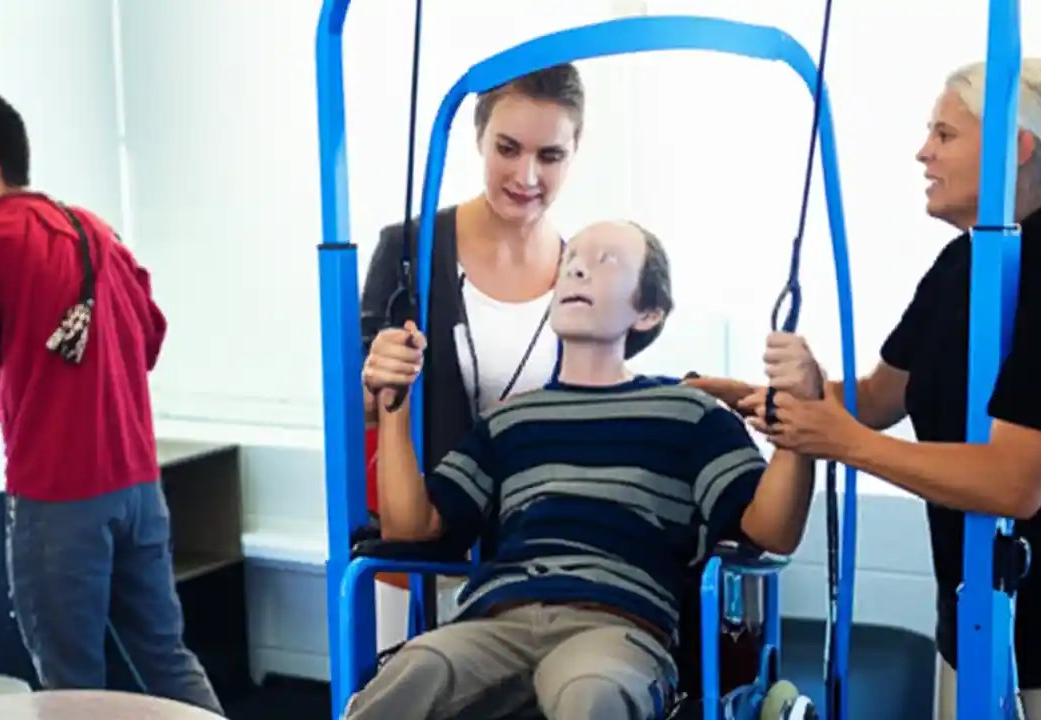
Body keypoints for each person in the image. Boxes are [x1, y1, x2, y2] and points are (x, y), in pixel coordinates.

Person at [345, 220, 818, 719]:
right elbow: (409, 527)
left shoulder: (689, 412)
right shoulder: (510, 419)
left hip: (616, 626)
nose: (577, 267)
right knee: (414, 673)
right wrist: (392, 402)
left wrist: (799, 420)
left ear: (649, 311)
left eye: (605, 259)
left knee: (590, 694)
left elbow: (773, 531)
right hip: (497, 621)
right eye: (571, 261)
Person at [689, 59, 1041, 718]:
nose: (922, 152)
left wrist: (843, 443)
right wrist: (762, 397)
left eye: (944, 134)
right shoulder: (963, 263)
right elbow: (878, 399)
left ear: (1015, 148)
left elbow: (1014, 483)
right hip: (970, 628)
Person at [0, 88, 223, 715]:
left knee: (71, 686)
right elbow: (151, 335)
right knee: (166, 658)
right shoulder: (89, 226)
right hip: (136, 486)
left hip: (57, 494)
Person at [360, 62, 588, 650]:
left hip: (537, 563)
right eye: (508, 149)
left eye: (550, 156)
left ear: (575, 151)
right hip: (418, 549)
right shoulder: (409, 251)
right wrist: (378, 378)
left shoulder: (585, 272)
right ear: (479, 140)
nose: (526, 175)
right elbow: (356, 404)